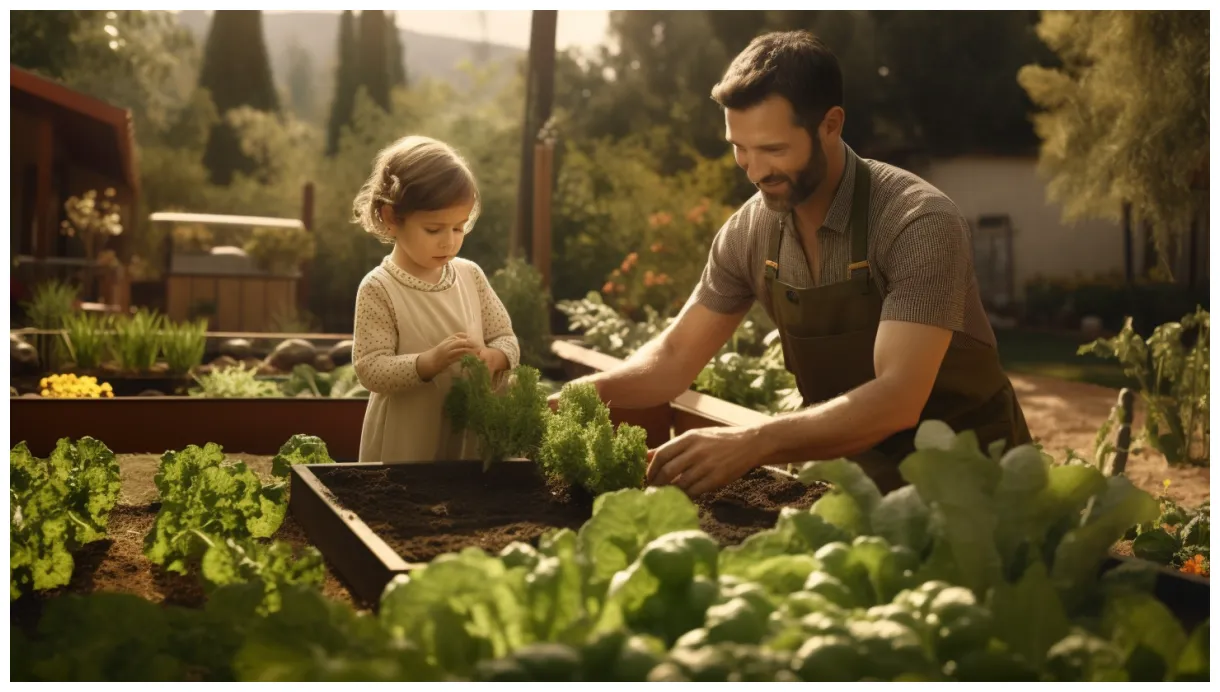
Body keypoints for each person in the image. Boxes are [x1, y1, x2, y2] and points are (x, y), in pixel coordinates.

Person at [556, 30, 1031, 496]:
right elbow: (674, 358)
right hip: (854, 482)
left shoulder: (917, 221)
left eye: (774, 149)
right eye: (739, 147)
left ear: (831, 124)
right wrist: (571, 399)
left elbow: (896, 400)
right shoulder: (750, 232)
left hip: (976, 485)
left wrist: (752, 441)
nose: (755, 170)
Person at [351, 135, 520, 463]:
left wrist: (495, 357)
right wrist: (427, 363)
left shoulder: (470, 276)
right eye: (434, 230)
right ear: (391, 218)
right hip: (408, 439)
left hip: (468, 435)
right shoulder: (379, 288)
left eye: (459, 228)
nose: (449, 242)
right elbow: (370, 369)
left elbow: (506, 337)